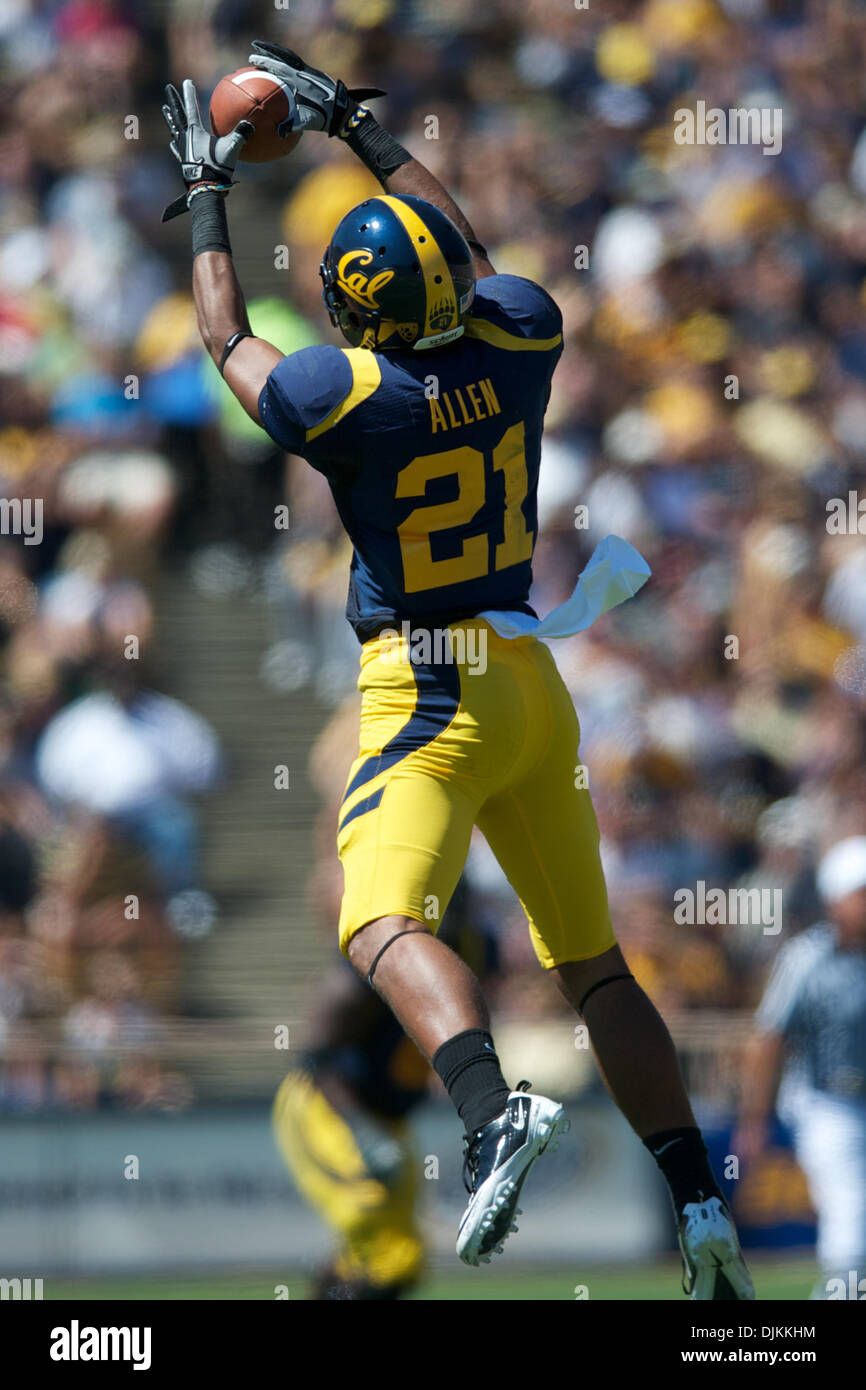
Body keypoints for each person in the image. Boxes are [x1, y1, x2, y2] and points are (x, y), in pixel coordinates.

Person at [161, 41, 753, 1296]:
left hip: (427, 683)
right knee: (590, 965)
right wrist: (361, 134)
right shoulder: (520, 334)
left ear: (352, 308)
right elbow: (470, 254)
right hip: (532, 677)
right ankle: (697, 1194)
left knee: (375, 920)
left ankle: (489, 1113)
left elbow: (224, 338)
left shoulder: (345, 395)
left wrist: (207, 193)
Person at [273, 881, 499, 1300]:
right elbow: (316, 1060)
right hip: (328, 1108)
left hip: (386, 1117)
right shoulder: (374, 956)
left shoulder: (477, 944)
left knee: (398, 1260)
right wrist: (363, 1134)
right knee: (389, 1255)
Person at [738, 836, 866, 1300]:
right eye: (861, 892)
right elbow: (768, 1036)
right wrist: (754, 1118)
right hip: (827, 1101)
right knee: (850, 1211)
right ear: (837, 897)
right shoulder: (808, 956)